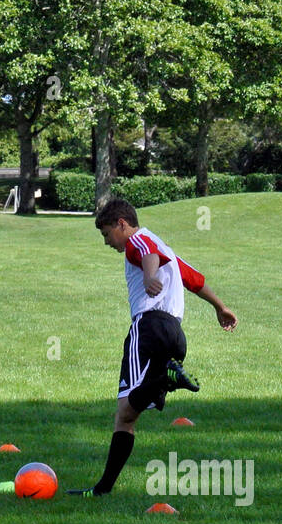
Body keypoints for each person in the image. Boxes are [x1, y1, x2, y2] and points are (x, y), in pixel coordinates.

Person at [68, 197, 236, 496]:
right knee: (130, 415)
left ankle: (165, 379)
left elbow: (146, 255)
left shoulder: (140, 240)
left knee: (123, 410)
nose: (108, 243)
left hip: (148, 327)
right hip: (175, 335)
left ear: (121, 224)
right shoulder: (166, 249)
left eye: (107, 234)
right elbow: (194, 280)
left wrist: (148, 277)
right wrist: (220, 307)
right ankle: (102, 490)